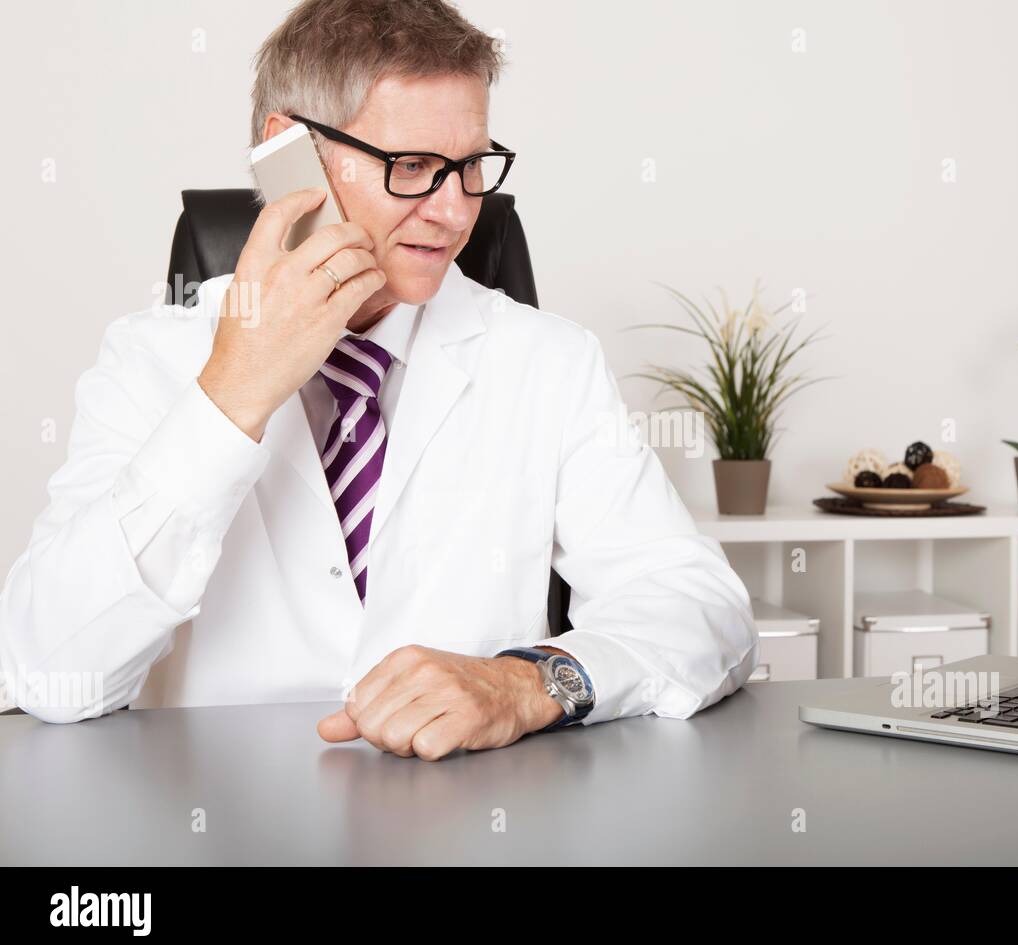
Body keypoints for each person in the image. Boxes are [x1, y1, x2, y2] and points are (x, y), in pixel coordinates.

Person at [0, 0, 757, 761]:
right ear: (289, 153)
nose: (456, 211)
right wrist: (233, 394)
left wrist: (526, 685)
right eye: (415, 168)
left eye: (470, 167)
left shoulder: (546, 362)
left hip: (466, 826)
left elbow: (702, 610)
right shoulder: (150, 359)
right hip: (219, 828)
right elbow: (48, 667)